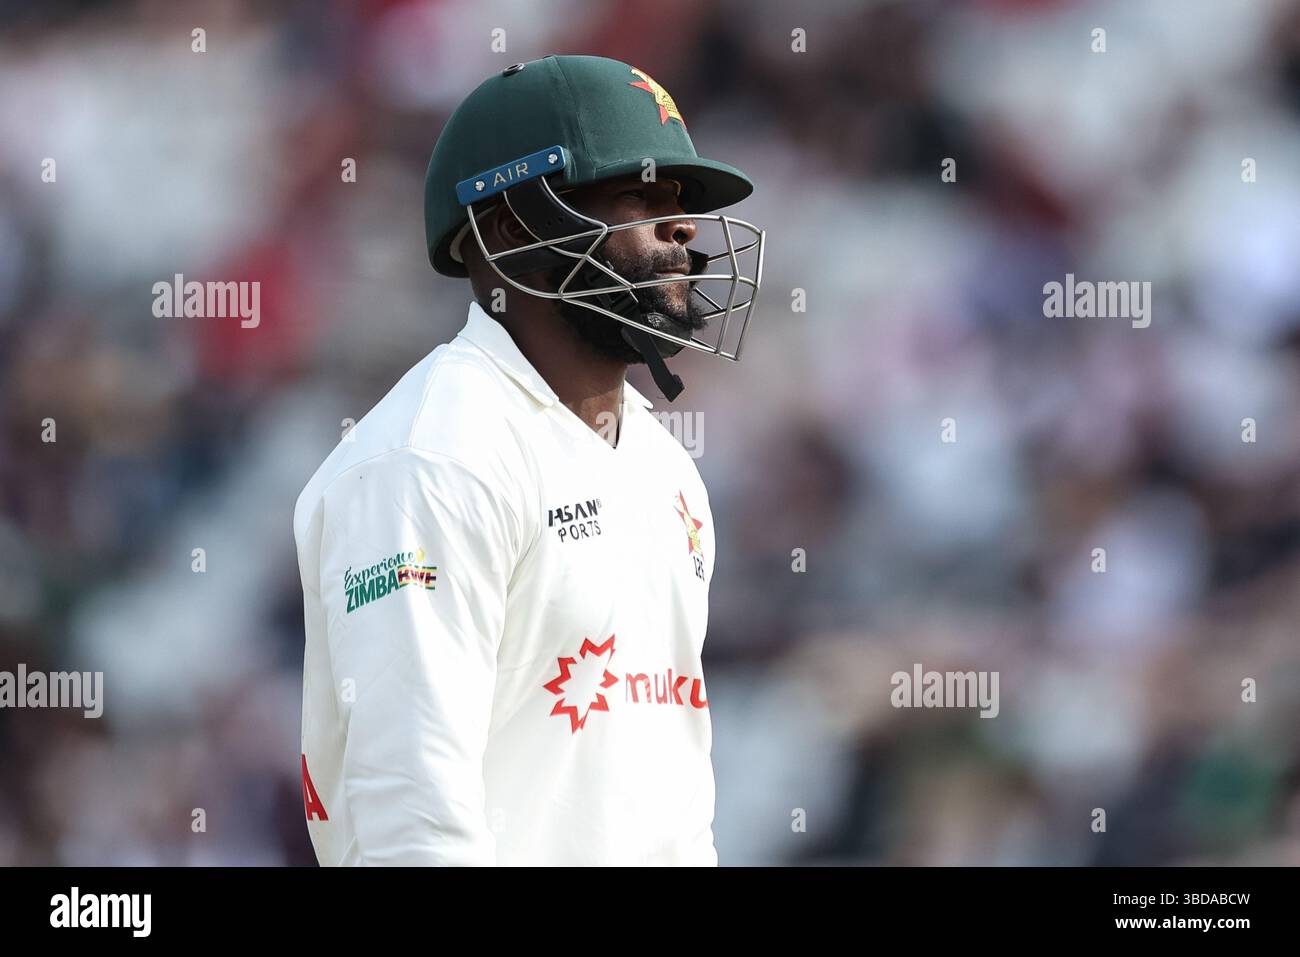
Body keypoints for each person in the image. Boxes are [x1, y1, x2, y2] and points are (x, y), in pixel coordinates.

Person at [293, 54, 764, 865]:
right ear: (511, 228)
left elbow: (676, 802)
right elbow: (414, 826)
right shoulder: (430, 462)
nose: (682, 227)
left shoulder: (664, 465)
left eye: (678, 203)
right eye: (638, 195)